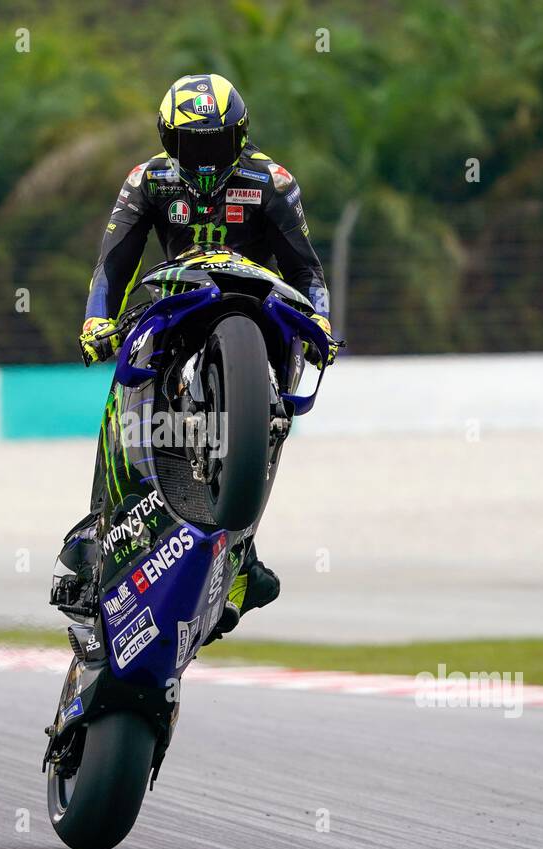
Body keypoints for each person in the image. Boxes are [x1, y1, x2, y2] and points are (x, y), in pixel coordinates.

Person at [55, 73, 332, 639]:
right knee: (124, 376)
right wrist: (96, 320)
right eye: (191, 146)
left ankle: (241, 554)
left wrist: (321, 320)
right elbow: (113, 264)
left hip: (255, 306)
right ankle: (96, 534)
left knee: (275, 417)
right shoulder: (148, 182)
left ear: (241, 138)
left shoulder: (272, 182)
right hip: (176, 302)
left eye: (216, 145)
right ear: (166, 141)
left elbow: (306, 269)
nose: (204, 161)